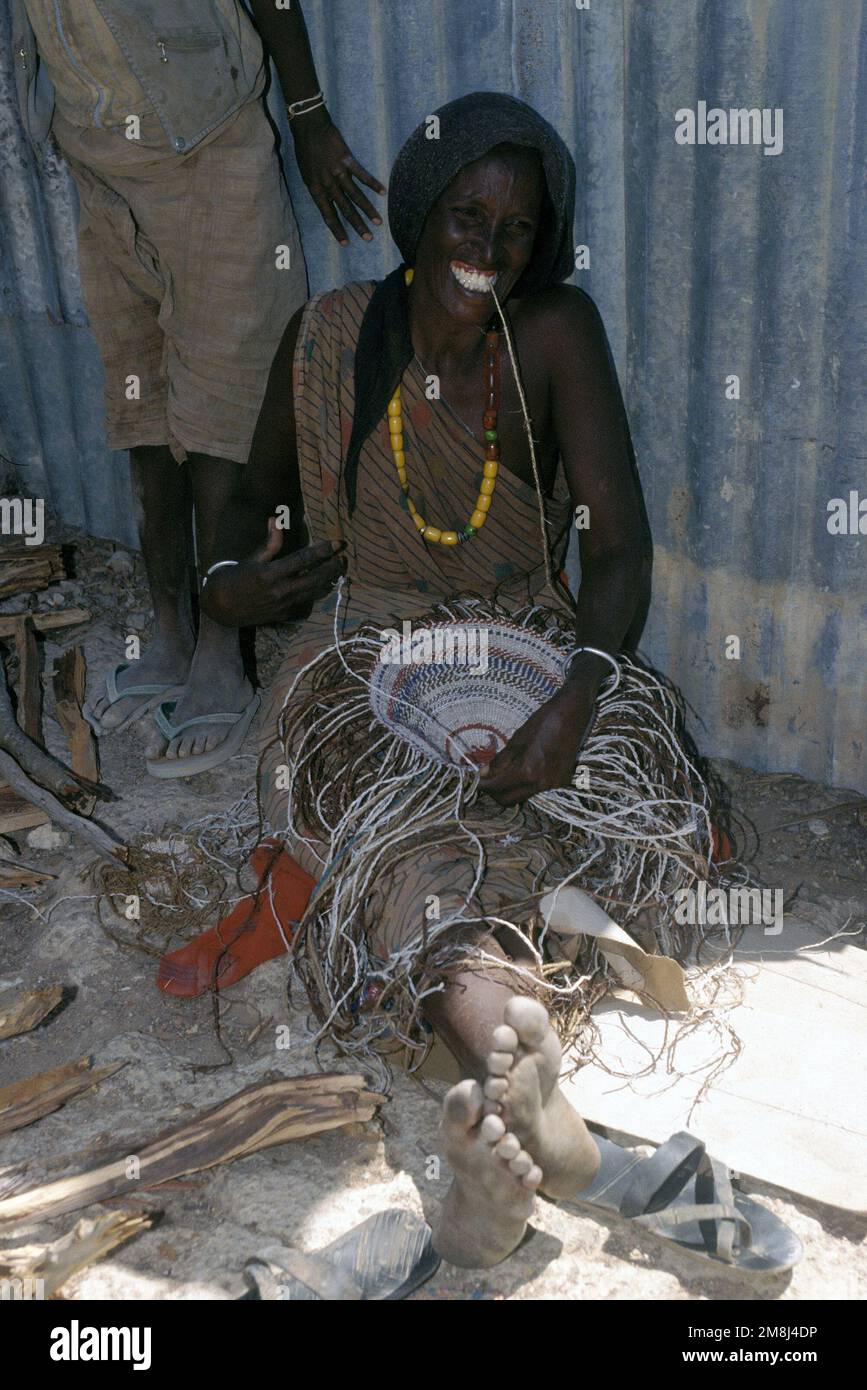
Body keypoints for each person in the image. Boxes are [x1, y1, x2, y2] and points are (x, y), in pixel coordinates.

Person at [200, 93, 798, 1273]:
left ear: (544, 244)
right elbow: (237, 512)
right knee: (410, 837)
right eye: (466, 216)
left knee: (597, 796)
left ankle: (518, 1121)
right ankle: (544, 1114)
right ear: (419, 216)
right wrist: (231, 586)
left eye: (517, 229)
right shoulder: (328, 339)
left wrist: (578, 689)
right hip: (365, 658)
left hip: (537, 648)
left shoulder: (555, 335)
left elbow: (618, 553)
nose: (488, 248)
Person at [10, 0, 383, 775]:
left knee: (225, 414)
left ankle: (223, 656)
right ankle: (170, 634)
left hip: (211, 147)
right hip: (98, 158)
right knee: (142, 413)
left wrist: (307, 113)